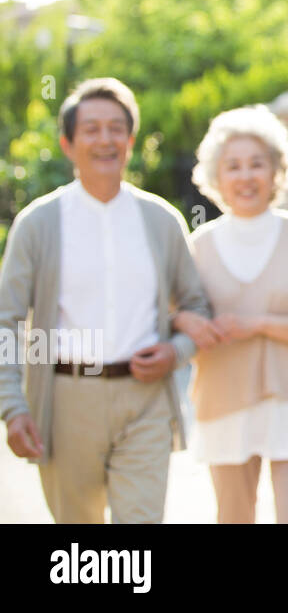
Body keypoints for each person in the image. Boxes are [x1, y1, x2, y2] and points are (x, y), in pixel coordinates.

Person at [0, 77, 211, 523]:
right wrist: (12, 406)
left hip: (147, 400)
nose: (105, 139)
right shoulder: (38, 224)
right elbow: (7, 320)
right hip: (65, 399)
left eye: (116, 128)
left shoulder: (162, 221)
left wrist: (176, 351)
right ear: (67, 142)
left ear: (131, 141)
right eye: (91, 129)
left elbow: (197, 307)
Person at [172, 104, 288, 524]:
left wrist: (254, 325)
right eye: (233, 166)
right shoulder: (199, 246)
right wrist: (187, 322)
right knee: (233, 518)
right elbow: (174, 314)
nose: (245, 176)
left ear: (275, 172)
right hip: (222, 402)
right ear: (217, 177)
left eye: (256, 164)